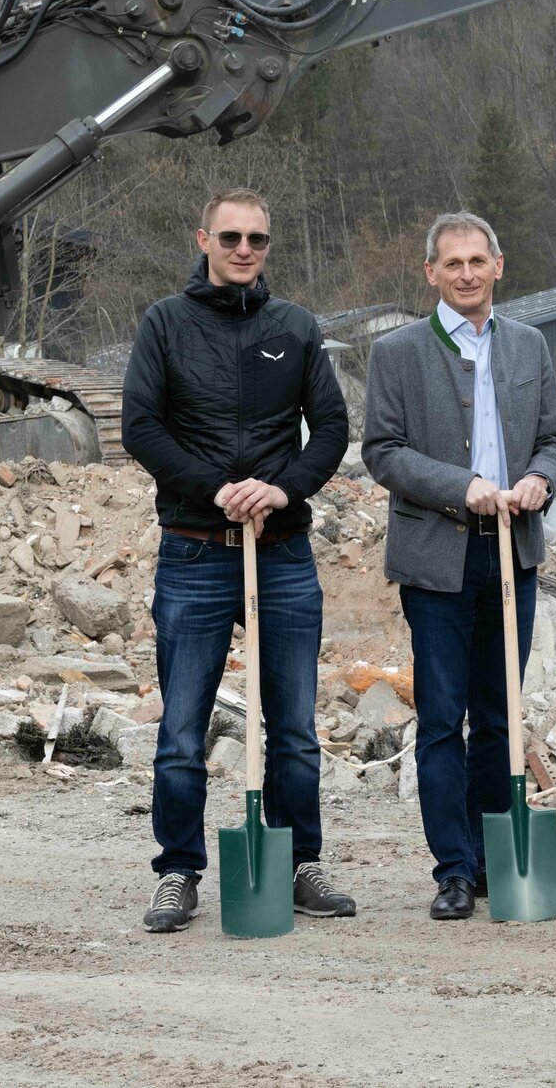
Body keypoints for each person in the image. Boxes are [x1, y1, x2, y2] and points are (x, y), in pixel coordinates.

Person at [121, 187, 354, 933]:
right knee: (182, 733)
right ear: (204, 240)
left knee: (295, 731)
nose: (244, 249)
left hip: (281, 554)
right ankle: (178, 872)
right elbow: (141, 428)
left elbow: (331, 429)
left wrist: (281, 490)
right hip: (194, 552)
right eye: (230, 237)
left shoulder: (296, 327)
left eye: (256, 239)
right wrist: (216, 489)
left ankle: (299, 863)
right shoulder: (165, 323)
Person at [362, 212, 556, 921]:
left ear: (498, 265)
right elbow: (383, 451)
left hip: (514, 552)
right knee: (442, 719)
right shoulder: (396, 352)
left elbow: (553, 439)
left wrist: (541, 478)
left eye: (478, 261)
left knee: (500, 716)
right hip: (437, 558)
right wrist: (462, 485)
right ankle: (452, 868)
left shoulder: (529, 345)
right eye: (452, 263)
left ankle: (491, 860)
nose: (466, 274)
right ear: (431, 272)